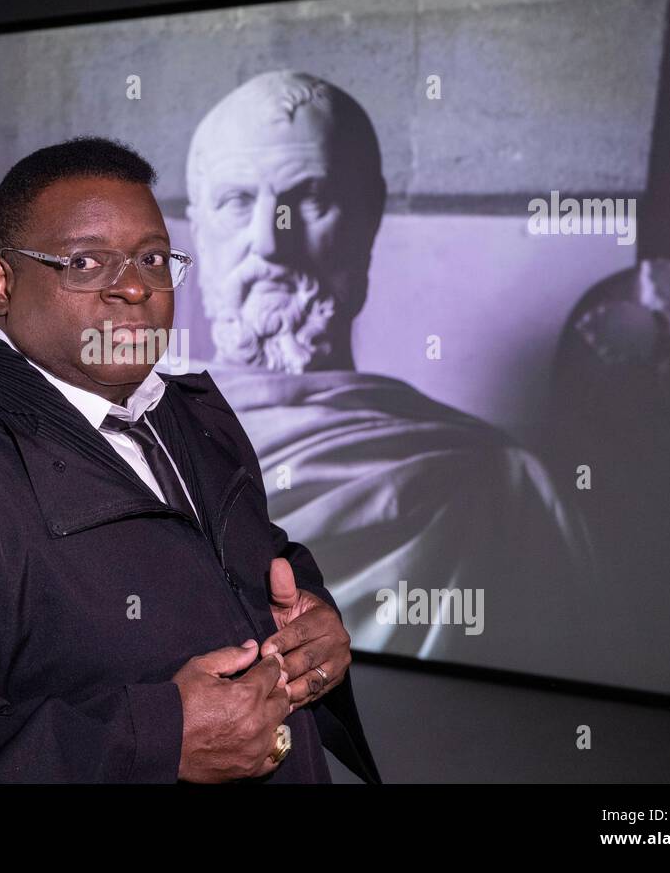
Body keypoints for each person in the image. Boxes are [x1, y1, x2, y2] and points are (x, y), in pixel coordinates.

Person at [0, 135, 381, 783]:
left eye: (151, 258)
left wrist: (309, 619)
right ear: (1, 284)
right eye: (86, 263)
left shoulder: (188, 413)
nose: (133, 289)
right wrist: (158, 741)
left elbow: (249, 560)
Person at [178, 71, 606, 679]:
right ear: (199, 228)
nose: (271, 242)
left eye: (310, 198)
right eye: (237, 201)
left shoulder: (499, 486)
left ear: (369, 219)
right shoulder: (133, 449)